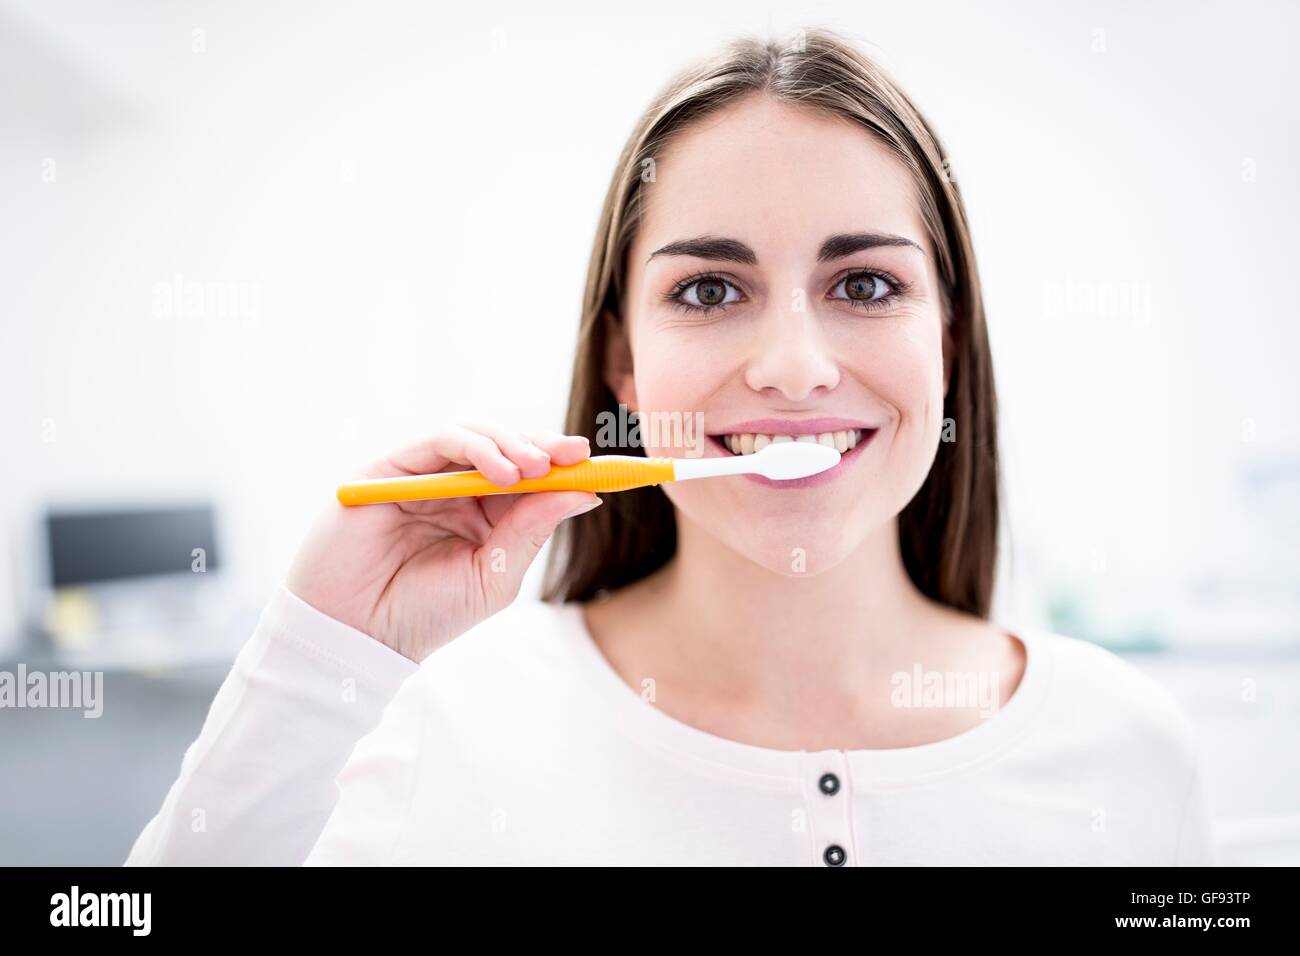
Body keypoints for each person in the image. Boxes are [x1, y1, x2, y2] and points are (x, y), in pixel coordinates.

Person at [126, 28, 1214, 866]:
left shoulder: (1126, 747)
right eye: (707, 288)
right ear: (622, 368)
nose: (793, 364)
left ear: (948, 339)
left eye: (866, 283)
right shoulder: (454, 722)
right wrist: (316, 662)